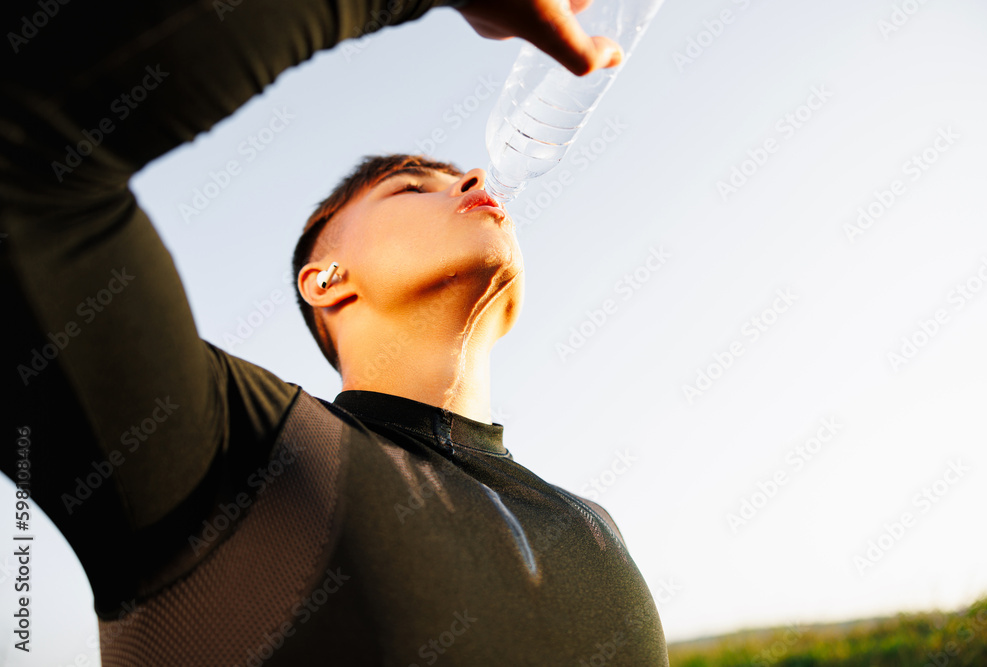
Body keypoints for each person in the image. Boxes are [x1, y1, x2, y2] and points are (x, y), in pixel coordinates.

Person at [0, 0, 669, 664]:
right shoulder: (236, 456)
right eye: (410, 187)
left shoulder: (594, 526)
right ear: (326, 280)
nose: (471, 176)